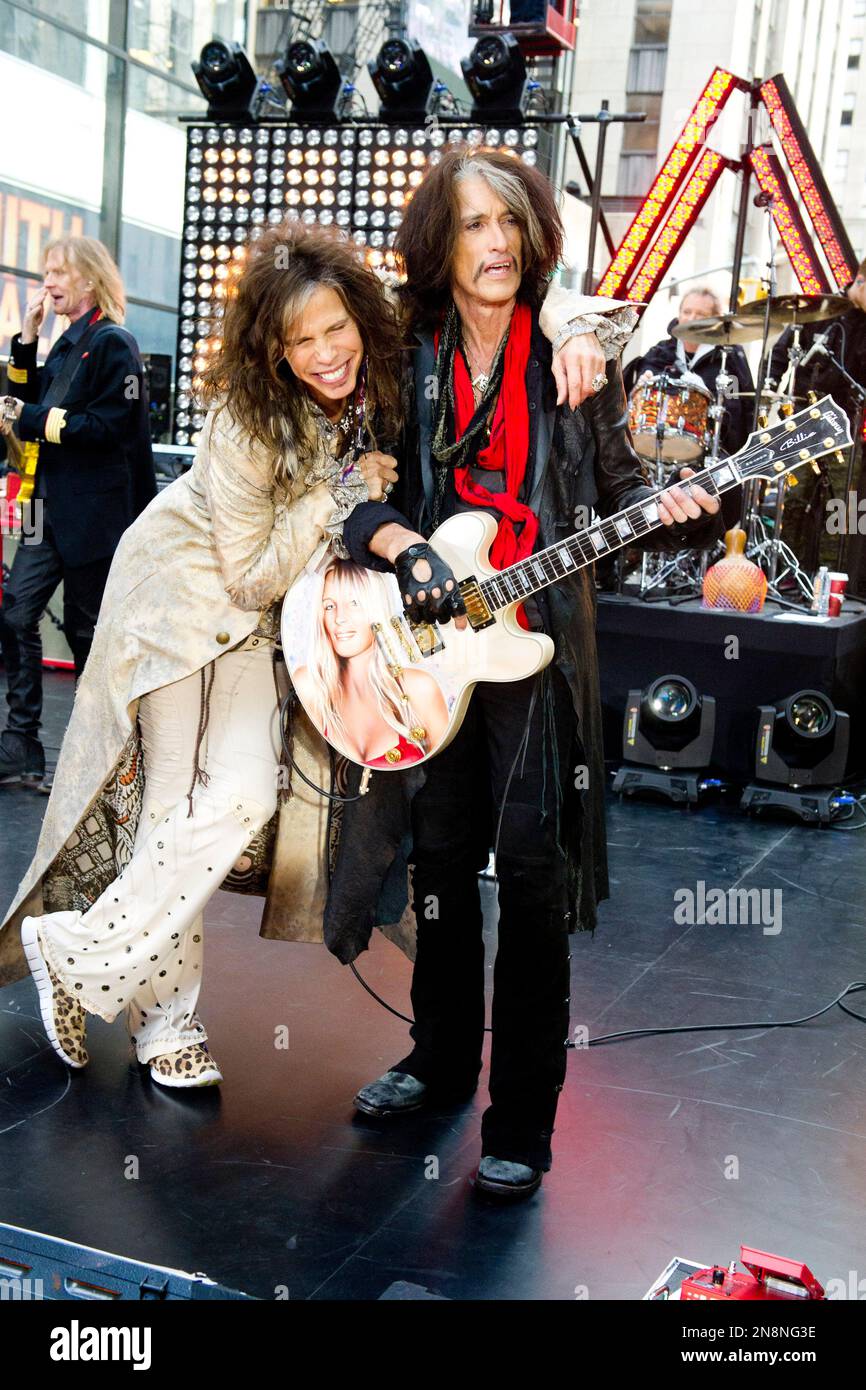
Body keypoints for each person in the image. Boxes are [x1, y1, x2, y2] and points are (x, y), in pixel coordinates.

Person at [331, 146, 722, 1200]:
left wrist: (685, 507)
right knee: (442, 864)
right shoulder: (405, 359)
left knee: (533, 876)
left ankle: (522, 1124)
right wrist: (407, 550)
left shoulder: (571, 354)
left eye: (508, 222)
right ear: (437, 241)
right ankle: (438, 1061)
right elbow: (353, 500)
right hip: (434, 650)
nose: (494, 243)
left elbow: (623, 504)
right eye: (470, 225)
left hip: (538, 652)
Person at [0, 222, 404, 1087]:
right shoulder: (245, 417)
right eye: (302, 339)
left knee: (242, 796)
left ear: (362, 318)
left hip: (260, 632)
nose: (326, 352)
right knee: (170, 803)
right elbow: (252, 572)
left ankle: (73, 950)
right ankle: (166, 1027)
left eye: (337, 328)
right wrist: (343, 492)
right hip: (180, 606)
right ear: (274, 349)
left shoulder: (374, 388)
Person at [0, 237, 156, 789]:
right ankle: (21, 748)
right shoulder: (68, 342)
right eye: (45, 273)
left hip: (96, 522)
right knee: (16, 615)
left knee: (94, 639)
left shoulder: (115, 343)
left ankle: (105, 760)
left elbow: (108, 427)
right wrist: (26, 339)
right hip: (49, 512)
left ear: (89, 278)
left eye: (57, 272)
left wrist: (34, 417)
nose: (47, 283)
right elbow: (23, 402)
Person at [292, 558, 449, 767]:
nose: (339, 618)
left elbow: (449, 776)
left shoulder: (419, 687)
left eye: (354, 603)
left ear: (376, 608)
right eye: (329, 606)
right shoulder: (311, 685)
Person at [768, 257, 866, 593]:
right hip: (807, 420)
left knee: (845, 506)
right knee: (794, 496)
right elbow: (779, 358)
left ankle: (830, 580)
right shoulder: (820, 310)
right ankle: (787, 573)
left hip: (847, 425)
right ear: (860, 281)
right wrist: (782, 404)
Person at [625, 286, 754, 531]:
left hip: (709, 450)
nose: (692, 319)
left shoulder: (728, 358)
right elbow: (640, 394)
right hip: (655, 446)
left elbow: (741, 411)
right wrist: (643, 382)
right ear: (679, 315)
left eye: (701, 314)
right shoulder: (661, 351)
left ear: (714, 320)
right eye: (687, 312)